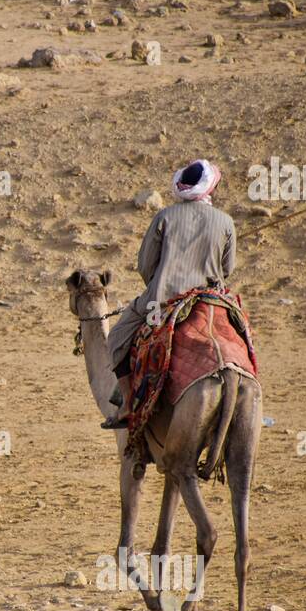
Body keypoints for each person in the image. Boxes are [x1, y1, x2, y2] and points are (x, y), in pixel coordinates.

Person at [101, 159, 236, 429]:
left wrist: (162, 278)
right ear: (210, 189)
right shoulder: (226, 222)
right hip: (209, 302)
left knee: (116, 337)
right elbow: (227, 269)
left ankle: (128, 403)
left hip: (161, 303)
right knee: (240, 331)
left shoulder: (164, 217)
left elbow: (145, 265)